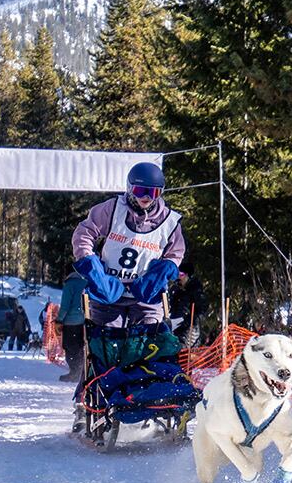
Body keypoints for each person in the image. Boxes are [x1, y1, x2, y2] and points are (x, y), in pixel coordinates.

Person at [70, 161, 185, 330]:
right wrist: (90, 263)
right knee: (107, 339)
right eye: (140, 191)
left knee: (149, 340)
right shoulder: (113, 209)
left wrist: (162, 272)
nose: (146, 197)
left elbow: (175, 253)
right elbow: (84, 233)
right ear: (130, 188)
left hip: (145, 296)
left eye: (153, 192)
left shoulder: (169, 222)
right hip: (109, 291)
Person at [166, 260, 206, 348]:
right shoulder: (177, 290)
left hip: (188, 332)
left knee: (182, 351)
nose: (179, 278)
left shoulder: (196, 291)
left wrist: (187, 322)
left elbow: (201, 311)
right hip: (175, 328)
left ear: (188, 275)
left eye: (181, 275)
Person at [56, 268, 87, 381]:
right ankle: (83, 372)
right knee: (82, 347)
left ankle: (75, 373)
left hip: (71, 322)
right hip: (85, 321)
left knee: (70, 348)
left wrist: (59, 320)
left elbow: (65, 305)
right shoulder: (87, 282)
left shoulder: (70, 284)